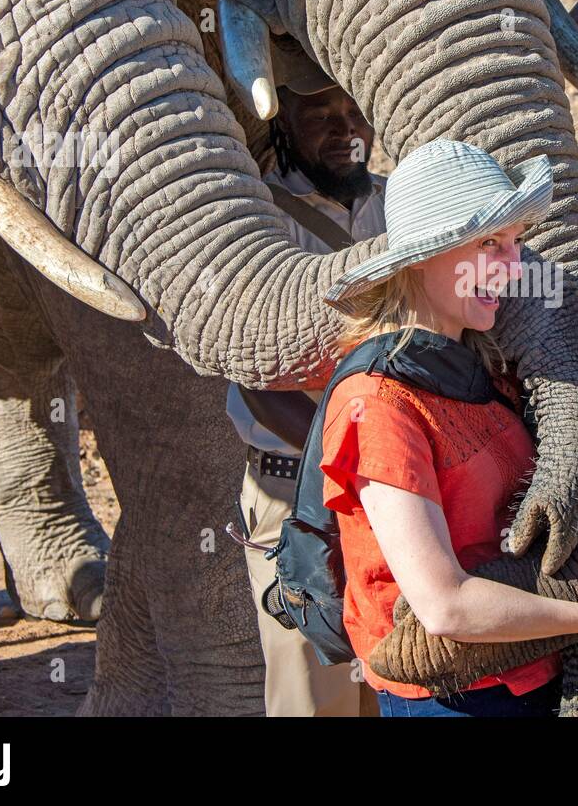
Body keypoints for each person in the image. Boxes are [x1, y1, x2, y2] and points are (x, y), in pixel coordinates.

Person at [318, 139, 578, 717]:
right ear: (422, 256)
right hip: (464, 693)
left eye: (514, 242)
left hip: (552, 657)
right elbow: (444, 606)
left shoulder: (490, 365)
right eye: (489, 243)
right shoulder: (378, 404)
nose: (514, 268)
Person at [227, 83, 385, 717]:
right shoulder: (258, 219)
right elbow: (260, 383)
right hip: (297, 495)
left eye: (354, 113)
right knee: (316, 700)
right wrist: (360, 457)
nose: (344, 130)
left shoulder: (398, 206)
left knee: (395, 685)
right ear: (283, 123)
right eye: (320, 115)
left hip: (393, 490)